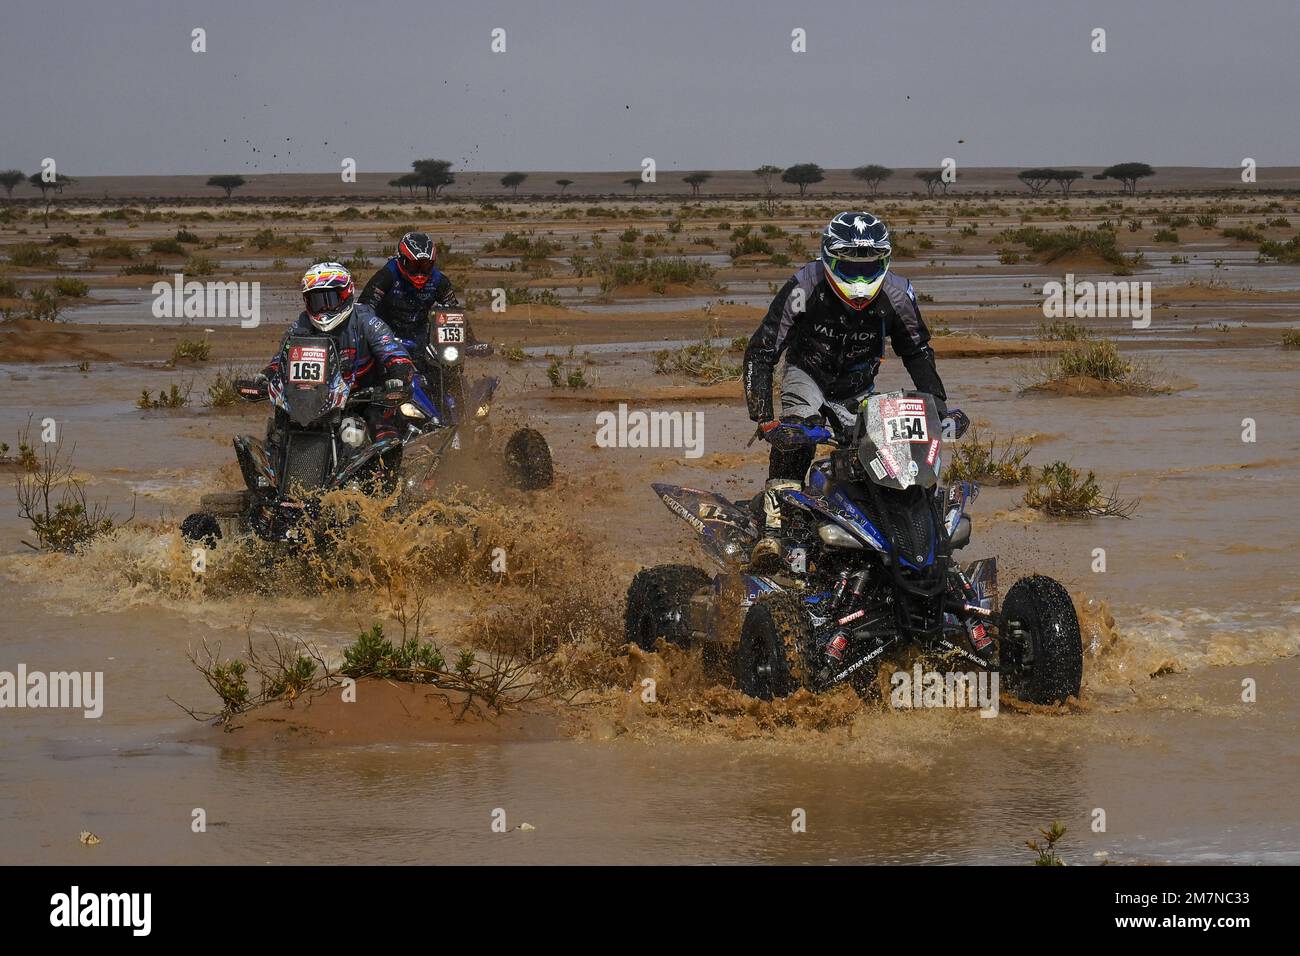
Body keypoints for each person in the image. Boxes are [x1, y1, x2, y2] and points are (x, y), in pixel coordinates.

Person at [742, 211, 964, 565]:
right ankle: (774, 531)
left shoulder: (897, 293)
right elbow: (763, 349)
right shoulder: (804, 286)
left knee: (882, 454)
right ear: (829, 259)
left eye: (869, 267)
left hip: (859, 387)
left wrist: (938, 404)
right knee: (799, 433)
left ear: (885, 262)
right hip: (807, 376)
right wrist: (766, 419)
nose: (859, 279)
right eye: (849, 267)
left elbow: (917, 350)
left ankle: (898, 539)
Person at [259, 262, 414, 449]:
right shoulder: (301, 325)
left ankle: (390, 475)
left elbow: (393, 351)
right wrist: (266, 375)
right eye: (316, 301)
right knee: (279, 430)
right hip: (317, 400)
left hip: (364, 399)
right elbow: (281, 360)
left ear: (346, 294)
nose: (323, 308)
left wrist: (398, 373)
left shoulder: (366, 321)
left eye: (329, 300)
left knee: (380, 429)